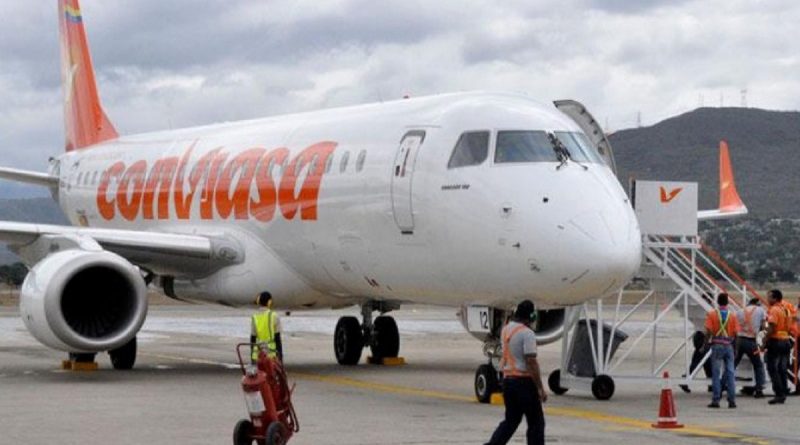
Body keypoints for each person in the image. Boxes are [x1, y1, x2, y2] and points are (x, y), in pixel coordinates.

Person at [485, 300, 547, 445]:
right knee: (536, 422)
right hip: (524, 383)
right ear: (531, 316)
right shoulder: (527, 333)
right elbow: (531, 361)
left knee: (511, 421)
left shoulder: (506, 329)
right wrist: (540, 388)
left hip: (508, 382)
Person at [704, 292, 739, 408]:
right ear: (727, 302)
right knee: (730, 373)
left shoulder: (712, 314)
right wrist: (735, 348)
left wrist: (705, 344)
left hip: (717, 344)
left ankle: (716, 399)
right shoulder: (733, 316)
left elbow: (708, 331)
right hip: (729, 345)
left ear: (717, 302)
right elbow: (736, 334)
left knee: (716, 373)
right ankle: (732, 400)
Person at [763, 289, 792, 404]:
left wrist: (764, 340)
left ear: (775, 298)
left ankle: (779, 393)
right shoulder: (786, 310)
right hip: (786, 340)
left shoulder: (774, 310)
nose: (767, 299)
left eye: (769, 297)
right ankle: (784, 391)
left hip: (776, 341)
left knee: (772, 368)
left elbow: (772, 327)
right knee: (782, 368)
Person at [734, 298, 767, 398]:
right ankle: (759, 389)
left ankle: (723, 386)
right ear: (758, 304)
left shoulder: (740, 311)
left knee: (732, 364)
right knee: (758, 365)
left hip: (739, 340)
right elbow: (763, 326)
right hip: (751, 341)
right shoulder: (760, 310)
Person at [250, 292, 283, 362]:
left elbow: (253, 338)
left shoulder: (254, 317)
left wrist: (252, 356)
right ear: (269, 302)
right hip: (271, 354)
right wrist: (280, 357)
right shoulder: (274, 316)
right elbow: (277, 338)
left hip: (258, 354)